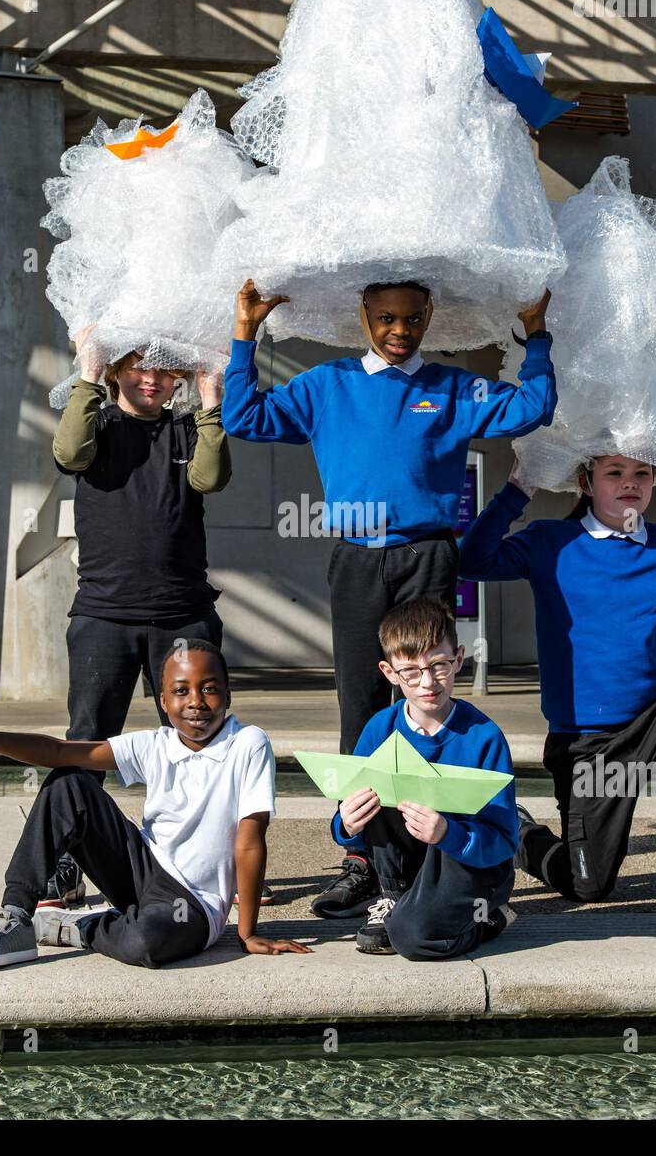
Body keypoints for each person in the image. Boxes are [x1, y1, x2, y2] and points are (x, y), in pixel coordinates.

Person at [225, 278, 555, 919]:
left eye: (410, 318)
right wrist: (245, 334)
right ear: (363, 316)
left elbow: (533, 408)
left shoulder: (455, 388)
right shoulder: (328, 384)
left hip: (428, 554)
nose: (397, 329)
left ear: (429, 315)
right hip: (355, 562)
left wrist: (535, 333)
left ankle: (440, 840)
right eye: (384, 318)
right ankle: (362, 857)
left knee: (427, 695)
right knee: (361, 701)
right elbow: (243, 417)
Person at [457, 453, 656, 911]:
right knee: (589, 886)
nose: (630, 483)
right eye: (614, 473)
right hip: (586, 740)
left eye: (642, 473)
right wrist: (518, 489)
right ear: (586, 482)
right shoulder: (551, 542)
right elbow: (472, 560)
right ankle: (520, 832)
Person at [0, 640, 310, 970]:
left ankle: (81, 928)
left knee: (147, 942)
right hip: (141, 870)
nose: (196, 701)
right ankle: (16, 917)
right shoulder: (155, 743)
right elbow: (59, 751)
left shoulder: (248, 743)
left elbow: (248, 842)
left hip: (194, 904)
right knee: (68, 783)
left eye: (210, 689)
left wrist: (247, 933)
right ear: (163, 702)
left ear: (228, 695)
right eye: (181, 691)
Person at [43, 328, 246, 908]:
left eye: (163, 371)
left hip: (183, 616)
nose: (150, 380)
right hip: (104, 616)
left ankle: (195, 858)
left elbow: (210, 478)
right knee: (85, 741)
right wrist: (89, 369)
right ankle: (65, 863)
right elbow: (68, 454)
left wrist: (211, 402)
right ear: (114, 371)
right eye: (136, 367)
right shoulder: (97, 425)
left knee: (198, 742)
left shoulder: (187, 429)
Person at [332, 599, 518, 958]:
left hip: (470, 864)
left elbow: (503, 844)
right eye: (412, 672)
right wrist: (346, 824)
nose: (428, 682)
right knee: (377, 792)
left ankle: (490, 918)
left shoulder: (485, 737)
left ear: (459, 659)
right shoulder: (379, 729)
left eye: (439, 665)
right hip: (407, 868)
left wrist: (449, 833)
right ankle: (392, 899)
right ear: (389, 673)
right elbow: (347, 820)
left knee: (414, 940)